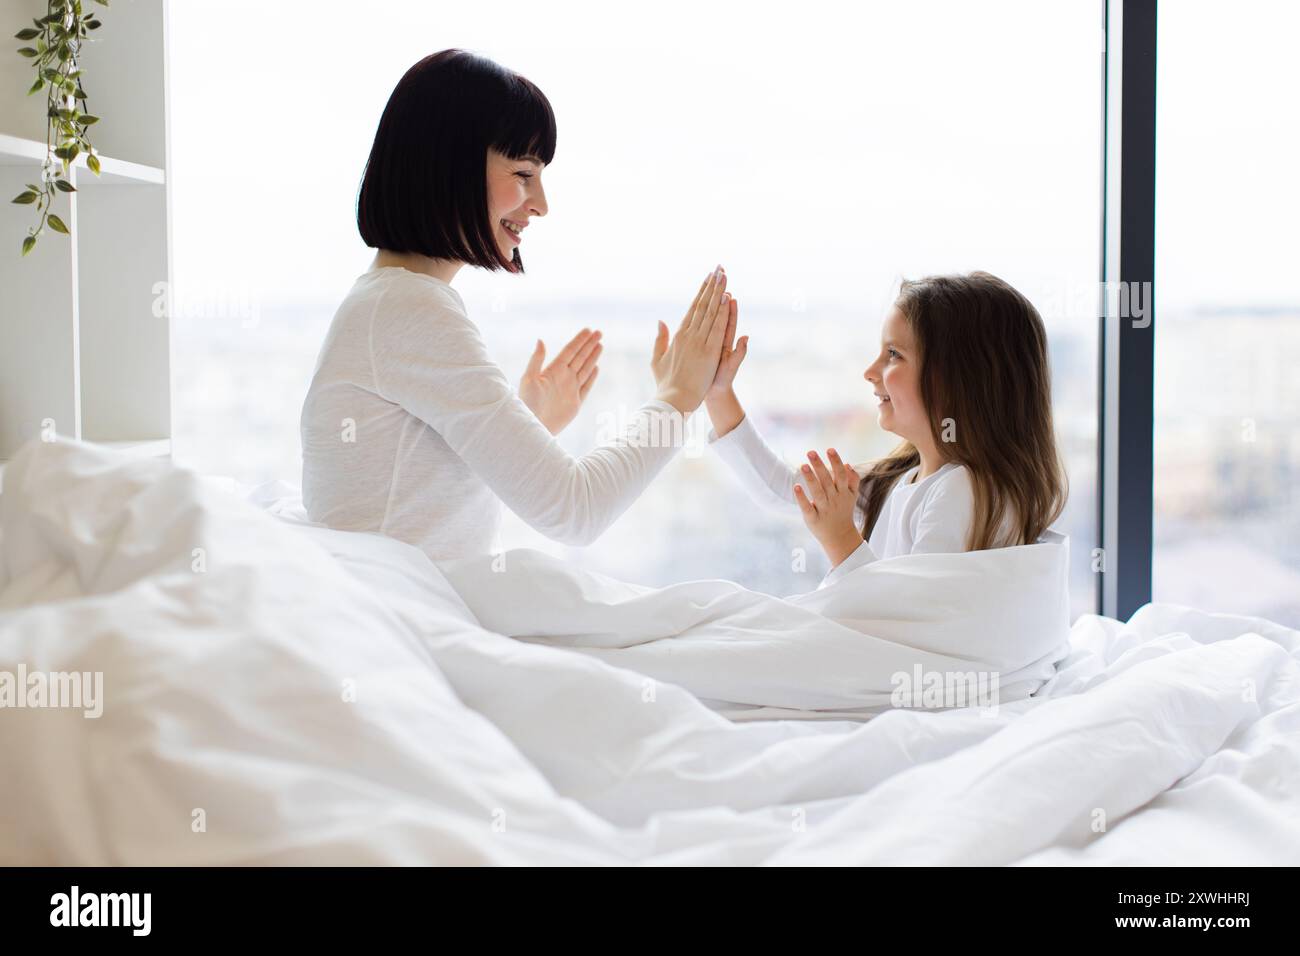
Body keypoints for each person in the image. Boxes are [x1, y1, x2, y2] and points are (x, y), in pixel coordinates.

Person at [300, 49, 735, 559]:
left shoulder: (388, 299)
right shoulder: (408, 309)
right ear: (450, 166)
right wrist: (678, 396)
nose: (541, 204)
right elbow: (577, 511)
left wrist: (528, 423)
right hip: (406, 621)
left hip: (403, 613)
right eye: (524, 174)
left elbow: (411, 492)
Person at [705, 271, 1068, 586]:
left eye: (894, 354)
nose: (870, 370)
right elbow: (785, 490)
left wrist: (840, 540)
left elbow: (907, 622)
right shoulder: (904, 479)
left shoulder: (962, 491)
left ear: (957, 381)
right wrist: (719, 392)